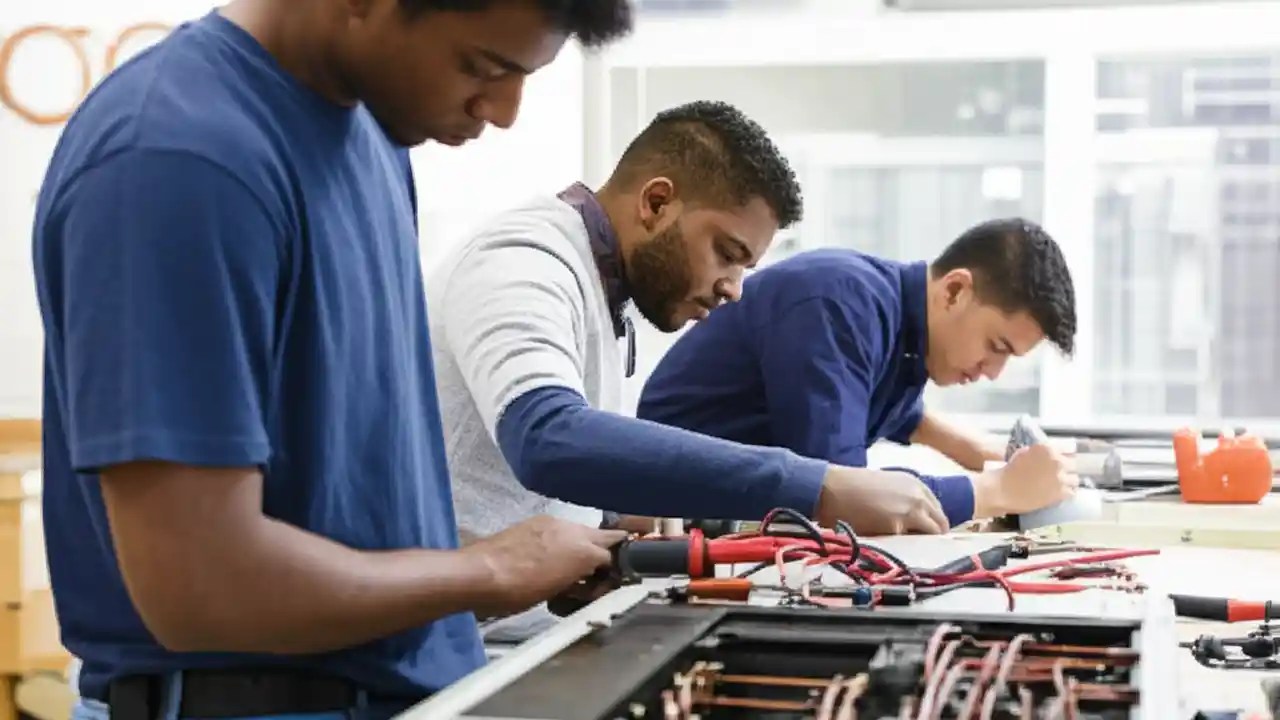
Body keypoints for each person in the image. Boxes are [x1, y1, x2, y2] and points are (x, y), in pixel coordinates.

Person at [31, 2, 635, 720]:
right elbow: (199, 586)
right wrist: (482, 572)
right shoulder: (177, 160)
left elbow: (336, 507)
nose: (502, 111)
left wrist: (514, 559)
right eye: (481, 67)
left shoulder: (373, 139)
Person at [428, 100, 952, 640]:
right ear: (657, 202)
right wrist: (819, 485)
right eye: (727, 253)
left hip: (539, 632)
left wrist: (611, 522)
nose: (734, 288)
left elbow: (523, 487)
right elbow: (546, 438)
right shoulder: (525, 258)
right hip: (467, 654)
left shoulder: (608, 296)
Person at [638, 218, 1082, 529]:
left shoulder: (899, 326)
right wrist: (997, 490)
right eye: (996, 346)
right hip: (668, 517)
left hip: (730, 512)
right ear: (955, 291)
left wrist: (978, 450)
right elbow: (844, 498)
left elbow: (896, 411)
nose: (993, 373)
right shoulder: (838, 305)